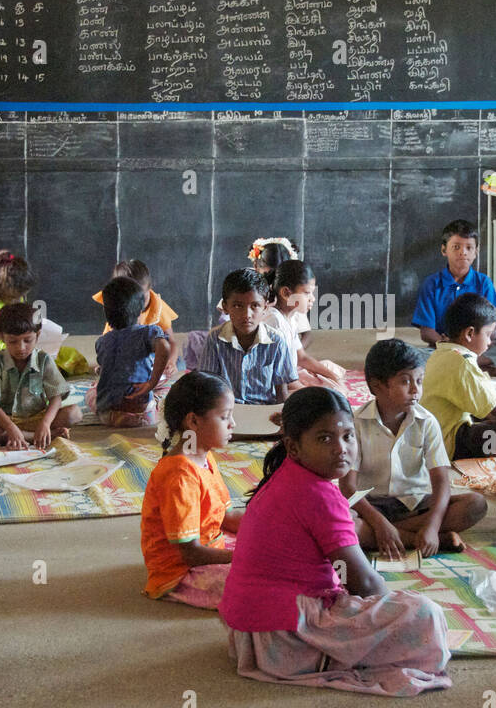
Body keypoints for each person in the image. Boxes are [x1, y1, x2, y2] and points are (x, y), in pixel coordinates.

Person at [218, 387, 452, 696]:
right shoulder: (321, 495)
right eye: (324, 438)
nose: (341, 448)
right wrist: (388, 609)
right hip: (284, 639)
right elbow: (364, 583)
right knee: (425, 614)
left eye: (348, 436)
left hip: (247, 629)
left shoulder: (286, 475)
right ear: (293, 447)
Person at [343, 339, 486, 559]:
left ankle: (398, 535)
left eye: (419, 381)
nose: (415, 390)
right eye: (405, 381)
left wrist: (431, 525)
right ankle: (416, 538)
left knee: (475, 504)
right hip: (372, 506)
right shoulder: (356, 423)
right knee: (343, 522)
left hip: (415, 503)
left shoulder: (426, 421)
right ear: (377, 386)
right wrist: (379, 522)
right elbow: (348, 487)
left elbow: (440, 481)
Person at [139, 372, 243, 608]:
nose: (233, 424)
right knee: (269, 586)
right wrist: (248, 557)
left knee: (282, 555)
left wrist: (271, 531)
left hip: (209, 548)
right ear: (193, 421)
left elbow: (226, 517)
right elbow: (191, 554)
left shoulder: (203, 456)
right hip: (181, 570)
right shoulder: (179, 475)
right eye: (225, 417)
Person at [412, 219, 496, 376]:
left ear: (476, 252)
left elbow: (495, 326)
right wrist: (446, 343)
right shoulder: (432, 284)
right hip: (445, 347)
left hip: (479, 346)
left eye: (469, 247)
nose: (463, 252)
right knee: (413, 357)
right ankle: (483, 369)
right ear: (444, 250)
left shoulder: (483, 282)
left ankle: (463, 366)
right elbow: (426, 332)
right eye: (456, 247)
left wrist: (483, 338)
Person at [421, 293, 496, 459]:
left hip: (433, 438)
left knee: (483, 416)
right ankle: (493, 453)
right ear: (470, 333)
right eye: (488, 334)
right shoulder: (463, 362)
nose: (490, 342)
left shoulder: (441, 353)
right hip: (451, 445)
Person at [0, 303, 81, 447]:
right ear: (3, 337)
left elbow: (56, 397)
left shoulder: (43, 359)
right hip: (4, 421)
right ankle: (35, 437)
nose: (21, 348)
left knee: (74, 413)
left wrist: (45, 423)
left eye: (27, 340)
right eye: (13, 341)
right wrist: (10, 428)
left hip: (37, 419)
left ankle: (19, 437)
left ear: (38, 335)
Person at [198, 268, 299, 404]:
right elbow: (208, 388)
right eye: (238, 305)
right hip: (228, 413)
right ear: (225, 307)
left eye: (255, 306)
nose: (247, 315)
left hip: (263, 413)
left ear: (265, 307)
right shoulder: (215, 339)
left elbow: (281, 392)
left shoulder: (276, 340)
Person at [90, 277, 172, 427]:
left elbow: (110, 367)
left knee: (91, 392)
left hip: (107, 413)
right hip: (140, 410)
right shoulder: (148, 332)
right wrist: (151, 383)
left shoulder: (102, 341)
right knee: (167, 386)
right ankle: (143, 414)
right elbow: (165, 347)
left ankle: (117, 417)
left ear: (106, 312)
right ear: (141, 309)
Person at [263, 260, 345, 392]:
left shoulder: (291, 317)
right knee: (328, 395)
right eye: (307, 293)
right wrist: (309, 394)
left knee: (330, 369)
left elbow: (302, 357)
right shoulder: (274, 321)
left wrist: (335, 379)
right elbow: (282, 379)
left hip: (290, 376)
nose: (312, 298)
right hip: (276, 386)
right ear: (286, 293)